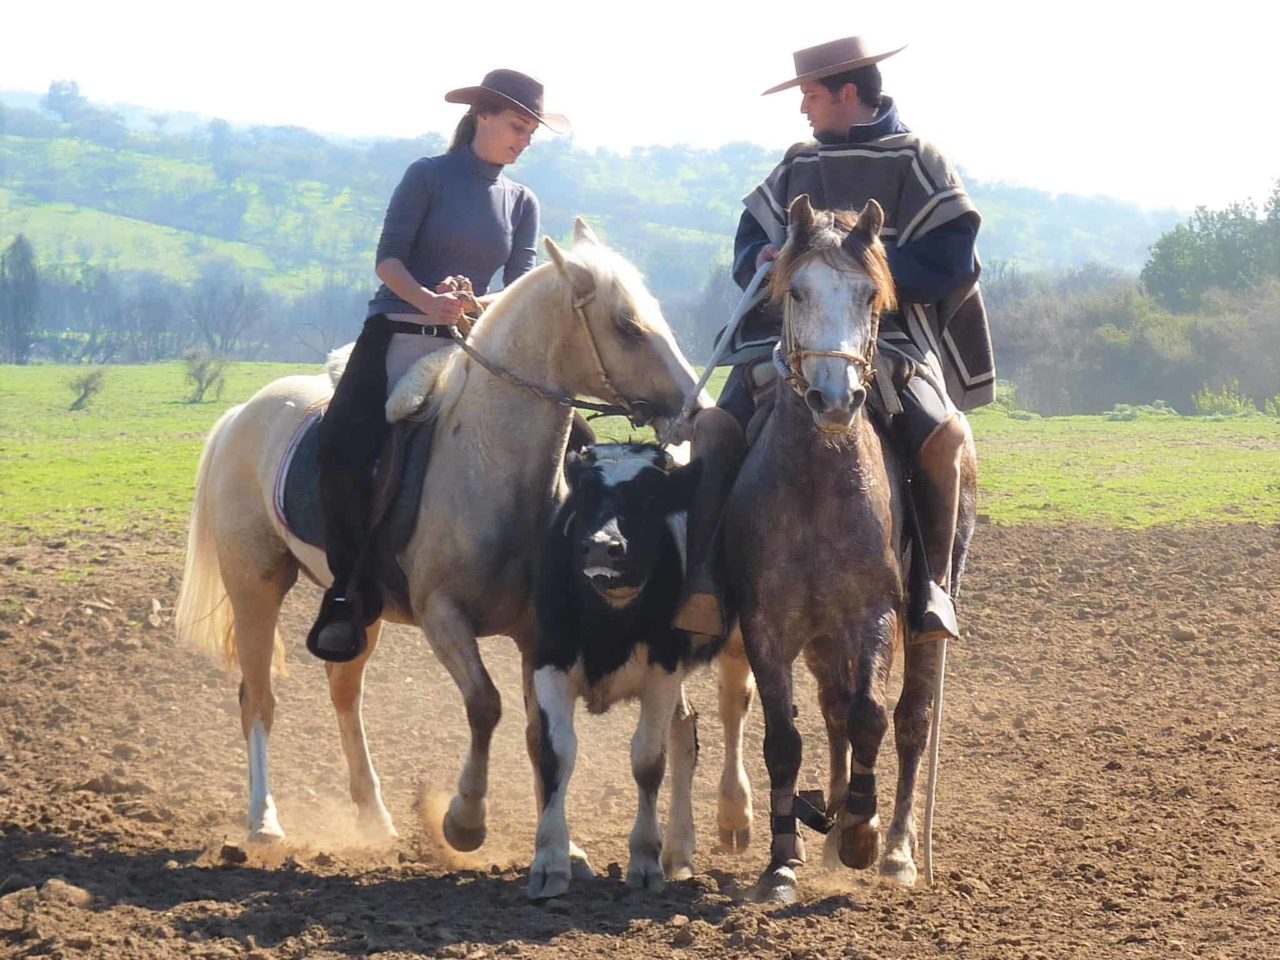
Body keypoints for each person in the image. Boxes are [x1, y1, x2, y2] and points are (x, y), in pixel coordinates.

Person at [674, 36, 995, 644]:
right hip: (792, 332)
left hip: (889, 334)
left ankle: (932, 586)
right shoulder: (798, 161)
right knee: (716, 427)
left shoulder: (918, 158)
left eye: (810, 95)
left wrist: (860, 275)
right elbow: (750, 238)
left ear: (848, 92)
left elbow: (953, 261)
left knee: (941, 434)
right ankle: (707, 580)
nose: (803, 108)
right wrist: (761, 258)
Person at [306, 69, 569, 663]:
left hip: (470, 347)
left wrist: (473, 304)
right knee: (341, 449)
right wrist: (429, 300)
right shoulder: (426, 175)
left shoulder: (522, 201)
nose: (525, 140)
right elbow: (388, 261)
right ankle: (347, 593)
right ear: (482, 116)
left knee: (573, 441)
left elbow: (519, 288)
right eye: (517, 126)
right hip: (396, 333)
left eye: (531, 131)